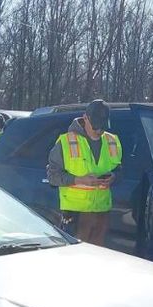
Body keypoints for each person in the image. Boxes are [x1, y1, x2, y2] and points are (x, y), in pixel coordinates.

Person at [46, 99, 122, 246]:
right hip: (75, 214)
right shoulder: (66, 142)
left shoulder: (112, 141)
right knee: (75, 260)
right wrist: (79, 180)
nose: (99, 131)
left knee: (97, 258)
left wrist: (114, 177)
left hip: (101, 212)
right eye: (96, 126)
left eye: (103, 126)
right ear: (85, 118)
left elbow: (119, 170)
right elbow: (52, 177)